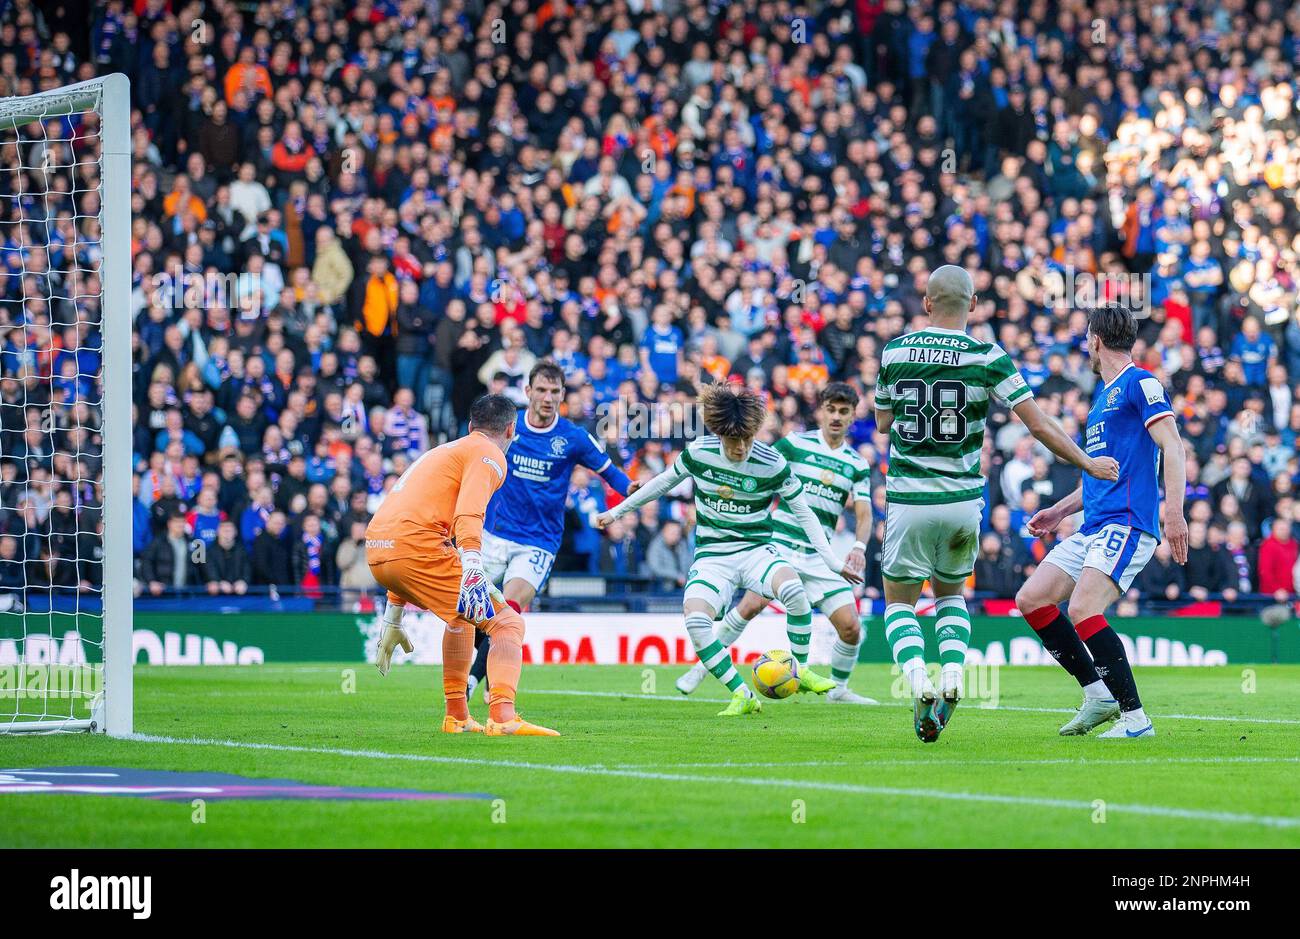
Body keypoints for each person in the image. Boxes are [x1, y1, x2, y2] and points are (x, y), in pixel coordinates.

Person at [874, 267, 1119, 742]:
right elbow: (1039, 425)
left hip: (908, 497)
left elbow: (884, 422)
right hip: (963, 500)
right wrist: (1086, 462)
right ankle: (952, 675)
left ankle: (919, 681)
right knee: (949, 595)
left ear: (927, 304)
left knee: (899, 601)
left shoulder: (895, 350)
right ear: (973, 304)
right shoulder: (988, 355)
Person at [595, 383, 862, 717]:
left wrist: (832, 562)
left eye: (747, 438)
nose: (741, 447)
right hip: (713, 556)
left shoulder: (773, 463)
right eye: (733, 440)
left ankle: (801, 669)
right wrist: (616, 512)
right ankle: (742, 694)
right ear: (719, 433)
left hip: (756, 550)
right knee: (695, 621)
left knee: (793, 590)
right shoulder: (699, 452)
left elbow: (804, 513)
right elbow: (662, 483)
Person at [1016, 304, 1188, 740]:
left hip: (1128, 523)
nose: (1084, 347)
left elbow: (1174, 445)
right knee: (1032, 599)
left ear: (1095, 339)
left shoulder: (1140, 382)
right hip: (1093, 524)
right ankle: (1098, 695)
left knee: (1083, 608)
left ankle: (1136, 720)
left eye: (1085, 339)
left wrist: (1174, 512)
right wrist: (1059, 511)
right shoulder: (1101, 398)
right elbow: (1102, 476)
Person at [365, 393, 558, 737]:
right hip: (416, 546)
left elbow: (403, 519)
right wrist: (472, 565)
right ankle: (502, 716)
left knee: (462, 616)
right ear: (512, 429)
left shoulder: (443, 451)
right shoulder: (490, 454)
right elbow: (469, 513)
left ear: (470, 426)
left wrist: (393, 613)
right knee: (508, 624)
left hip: (379, 549)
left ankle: (456, 715)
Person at [674, 382, 878, 704]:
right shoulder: (795, 444)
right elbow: (752, 464)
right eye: (831, 409)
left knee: (851, 627)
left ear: (853, 416)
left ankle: (837, 691)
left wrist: (858, 548)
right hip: (780, 543)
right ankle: (699, 670)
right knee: (750, 606)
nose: (836, 417)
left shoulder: (857, 464)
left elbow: (865, 514)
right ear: (820, 411)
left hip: (819, 553)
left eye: (844, 411)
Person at [464, 361, 632, 701]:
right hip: (494, 534)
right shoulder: (508, 427)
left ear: (562, 395)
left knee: (508, 608)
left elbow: (612, 473)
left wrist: (633, 491)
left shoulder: (573, 437)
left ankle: (471, 682)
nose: (547, 397)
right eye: (541, 390)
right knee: (473, 610)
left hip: (538, 542)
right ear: (528, 392)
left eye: (555, 391)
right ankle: (479, 669)